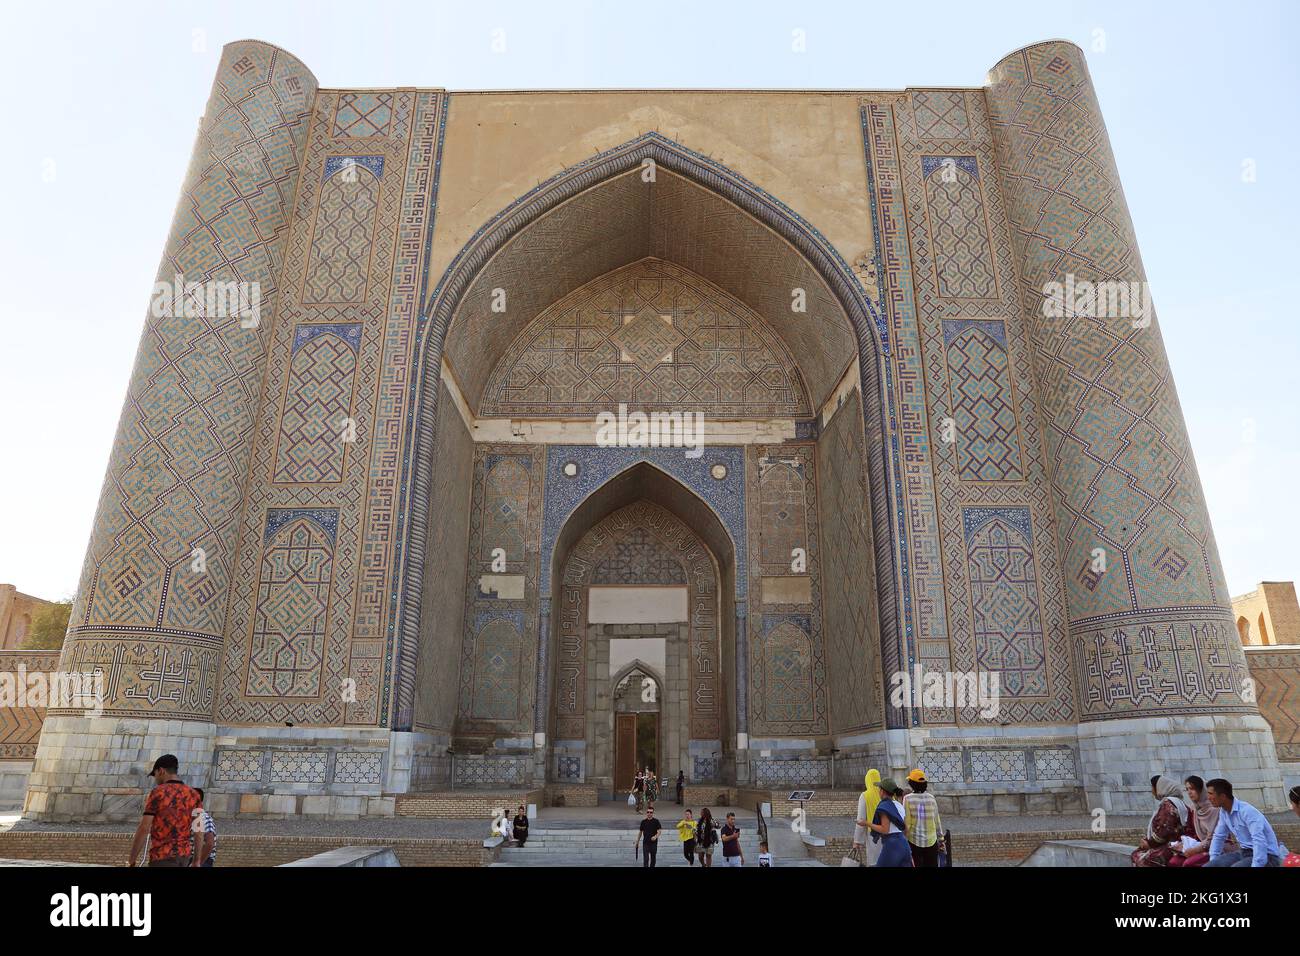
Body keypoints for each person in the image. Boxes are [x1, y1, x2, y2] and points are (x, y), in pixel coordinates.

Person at [128, 754, 201, 867]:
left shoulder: (158, 793)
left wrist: (131, 860)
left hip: (162, 856)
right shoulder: (194, 795)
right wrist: (197, 861)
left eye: (155, 774)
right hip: (184, 857)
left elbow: (144, 828)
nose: (155, 778)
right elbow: (199, 830)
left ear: (161, 771)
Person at [1205, 778, 1284, 867]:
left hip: (1267, 855)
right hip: (1244, 853)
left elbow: (1259, 840)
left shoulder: (1247, 811)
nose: (1208, 798)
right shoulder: (1224, 812)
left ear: (1223, 796)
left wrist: (1256, 865)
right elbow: (1219, 836)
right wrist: (1213, 861)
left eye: (1211, 794)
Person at [1130, 775, 1192, 867]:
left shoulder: (1168, 804)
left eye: (1152, 787)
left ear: (1159, 787)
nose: (1152, 791)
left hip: (1170, 847)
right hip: (1177, 844)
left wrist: (1148, 843)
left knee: (1137, 856)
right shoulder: (1179, 802)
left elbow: (1164, 831)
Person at [1170, 775, 1230, 868]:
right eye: (1187, 789)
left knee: (1189, 863)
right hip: (1198, 845)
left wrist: (1196, 849)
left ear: (1202, 790)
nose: (1189, 792)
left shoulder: (1215, 809)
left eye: (1192, 789)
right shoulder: (1194, 809)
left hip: (1218, 847)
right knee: (1174, 862)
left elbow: (1215, 838)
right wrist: (1182, 844)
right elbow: (1191, 832)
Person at [902, 769, 944, 867]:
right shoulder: (931, 798)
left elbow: (907, 823)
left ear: (911, 784)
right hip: (931, 841)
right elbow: (936, 820)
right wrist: (941, 839)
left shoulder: (907, 799)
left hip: (914, 841)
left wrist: (904, 839)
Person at [866, 776, 911, 867]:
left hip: (892, 844)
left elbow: (885, 829)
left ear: (882, 791)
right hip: (904, 843)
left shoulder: (885, 807)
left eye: (879, 789)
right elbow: (906, 828)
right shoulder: (898, 805)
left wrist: (866, 823)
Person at [855, 768, 882, 865]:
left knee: (874, 862)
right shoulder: (885, 793)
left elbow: (861, 820)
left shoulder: (865, 796)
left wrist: (857, 840)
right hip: (888, 834)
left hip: (873, 835)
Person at [192, 787, 217, 867]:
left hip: (202, 860)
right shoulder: (192, 818)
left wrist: (197, 863)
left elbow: (210, 843)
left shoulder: (204, 818)